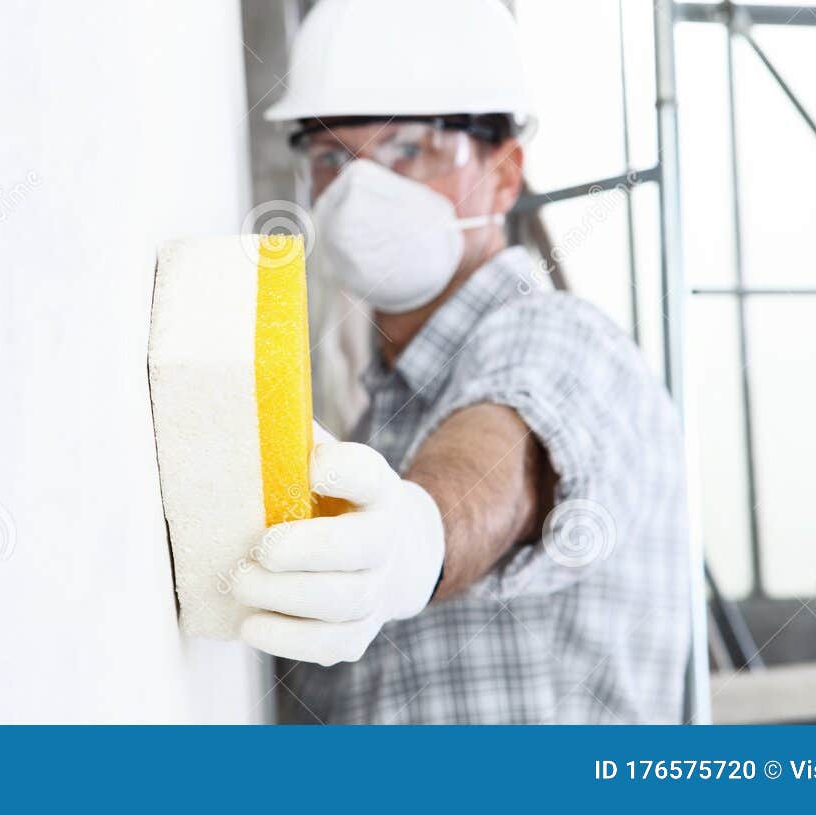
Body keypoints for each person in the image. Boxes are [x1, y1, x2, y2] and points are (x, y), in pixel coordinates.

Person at [232, 0, 691, 723]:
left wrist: (415, 539)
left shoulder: (565, 338)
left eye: (407, 148)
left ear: (506, 173)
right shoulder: (374, 420)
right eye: (329, 157)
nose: (358, 189)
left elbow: (502, 454)